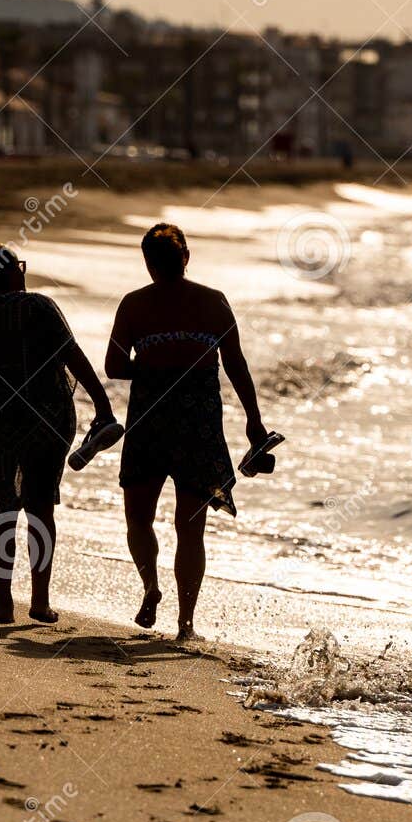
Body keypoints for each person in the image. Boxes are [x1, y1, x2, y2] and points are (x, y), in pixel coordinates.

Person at [105, 224, 268, 642]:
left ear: (148, 263)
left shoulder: (134, 305)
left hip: (149, 423)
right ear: (186, 258)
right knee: (189, 528)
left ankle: (150, 588)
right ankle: (186, 624)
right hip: (198, 426)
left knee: (138, 519)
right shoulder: (213, 302)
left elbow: (114, 366)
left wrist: (155, 365)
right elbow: (236, 364)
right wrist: (253, 421)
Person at [0, 243, 115, 625]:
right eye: (18, 267)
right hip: (45, 420)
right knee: (40, 508)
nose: (23, 272)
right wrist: (102, 405)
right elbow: (72, 357)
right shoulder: (39, 306)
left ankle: (2, 604)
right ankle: (39, 600)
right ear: (8, 272)